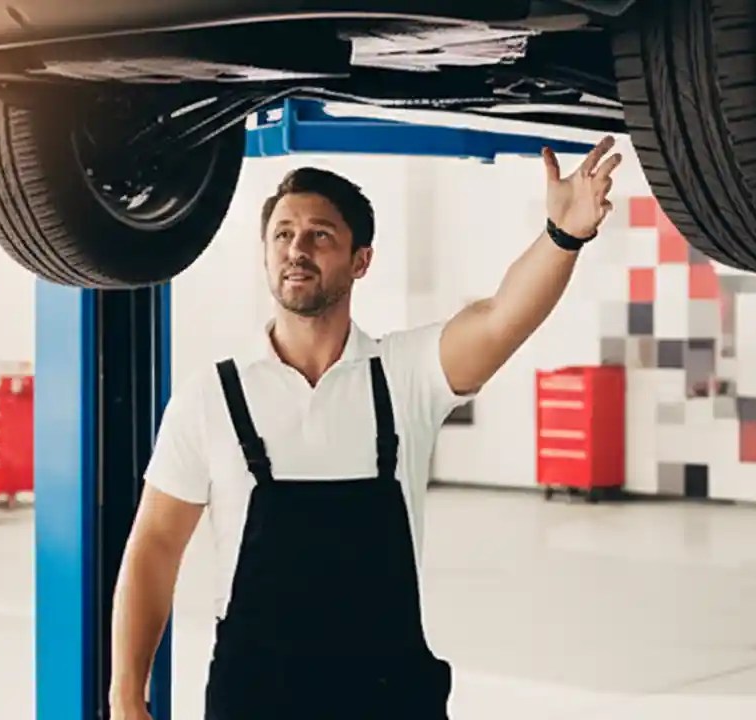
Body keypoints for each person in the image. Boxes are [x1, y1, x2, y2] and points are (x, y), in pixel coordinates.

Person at [108, 137, 623, 719]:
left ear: (361, 260)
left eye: (320, 234)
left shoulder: (404, 377)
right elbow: (154, 545)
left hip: (387, 696)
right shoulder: (212, 398)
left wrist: (563, 234)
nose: (297, 249)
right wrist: (127, 692)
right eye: (283, 234)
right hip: (254, 699)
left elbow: (500, 318)